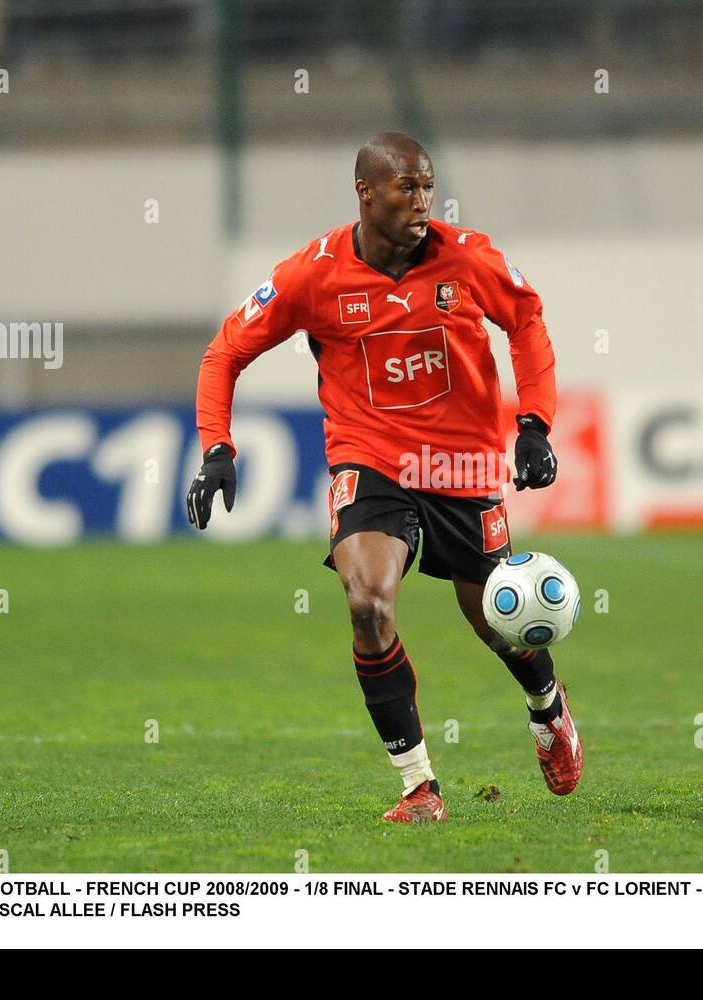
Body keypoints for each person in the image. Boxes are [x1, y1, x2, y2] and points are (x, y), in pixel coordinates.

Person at [186, 132, 582, 822]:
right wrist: (217, 447)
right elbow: (224, 353)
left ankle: (547, 706)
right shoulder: (313, 274)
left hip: (461, 462)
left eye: (429, 186)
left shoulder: (469, 258)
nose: (423, 201)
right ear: (366, 193)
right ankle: (419, 787)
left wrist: (535, 425)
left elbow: (526, 319)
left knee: (498, 626)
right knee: (368, 602)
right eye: (408, 188)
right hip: (369, 458)